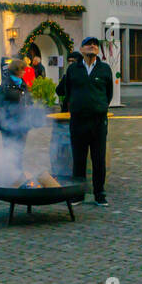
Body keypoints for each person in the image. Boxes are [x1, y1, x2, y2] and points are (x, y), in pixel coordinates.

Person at [56, 37, 114, 206]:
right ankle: (78, 194)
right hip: (78, 120)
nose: (92, 46)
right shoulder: (74, 69)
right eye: (89, 44)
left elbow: (108, 93)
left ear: (98, 50)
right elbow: (67, 91)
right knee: (79, 159)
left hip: (98, 121)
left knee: (98, 158)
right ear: (81, 49)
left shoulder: (104, 69)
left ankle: (99, 193)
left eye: (95, 45)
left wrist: (100, 106)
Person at [0, 57, 32, 170]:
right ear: (16, 70)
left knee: (19, 150)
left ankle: (17, 173)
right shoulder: (5, 86)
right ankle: (9, 174)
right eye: (23, 69)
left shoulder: (23, 84)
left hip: (22, 124)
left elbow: (29, 102)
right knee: (10, 151)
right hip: (9, 125)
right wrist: (3, 123)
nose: (25, 72)